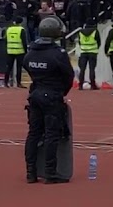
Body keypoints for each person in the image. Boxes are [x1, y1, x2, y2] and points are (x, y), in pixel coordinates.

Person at [23, 16, 75, 184]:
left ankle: (31, 172)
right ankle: (50, 172)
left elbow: (26, 65)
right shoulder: (57, 53)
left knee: (34, 133)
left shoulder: (32, 50)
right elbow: (68, 75)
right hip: (52, 96)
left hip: (35, 93)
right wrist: (61, 91)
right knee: (52, 135)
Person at [75, 20, 101, 91]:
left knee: (82, 69)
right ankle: (93, 85)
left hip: (83, 52)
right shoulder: (95, 31)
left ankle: (80, 85)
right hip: (93, 52)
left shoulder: (80, 32)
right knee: (92, 69)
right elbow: (99, 42)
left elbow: (80, 42)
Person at [4, 17, 29, 88]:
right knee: (19, 68)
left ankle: (6, 82)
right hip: (20, 51)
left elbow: (6, 40)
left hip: (10, 51)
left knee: (8, 67)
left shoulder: (9, 29)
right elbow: (24, 42)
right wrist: (25, 51)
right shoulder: (21, 30)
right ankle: (18, 83)